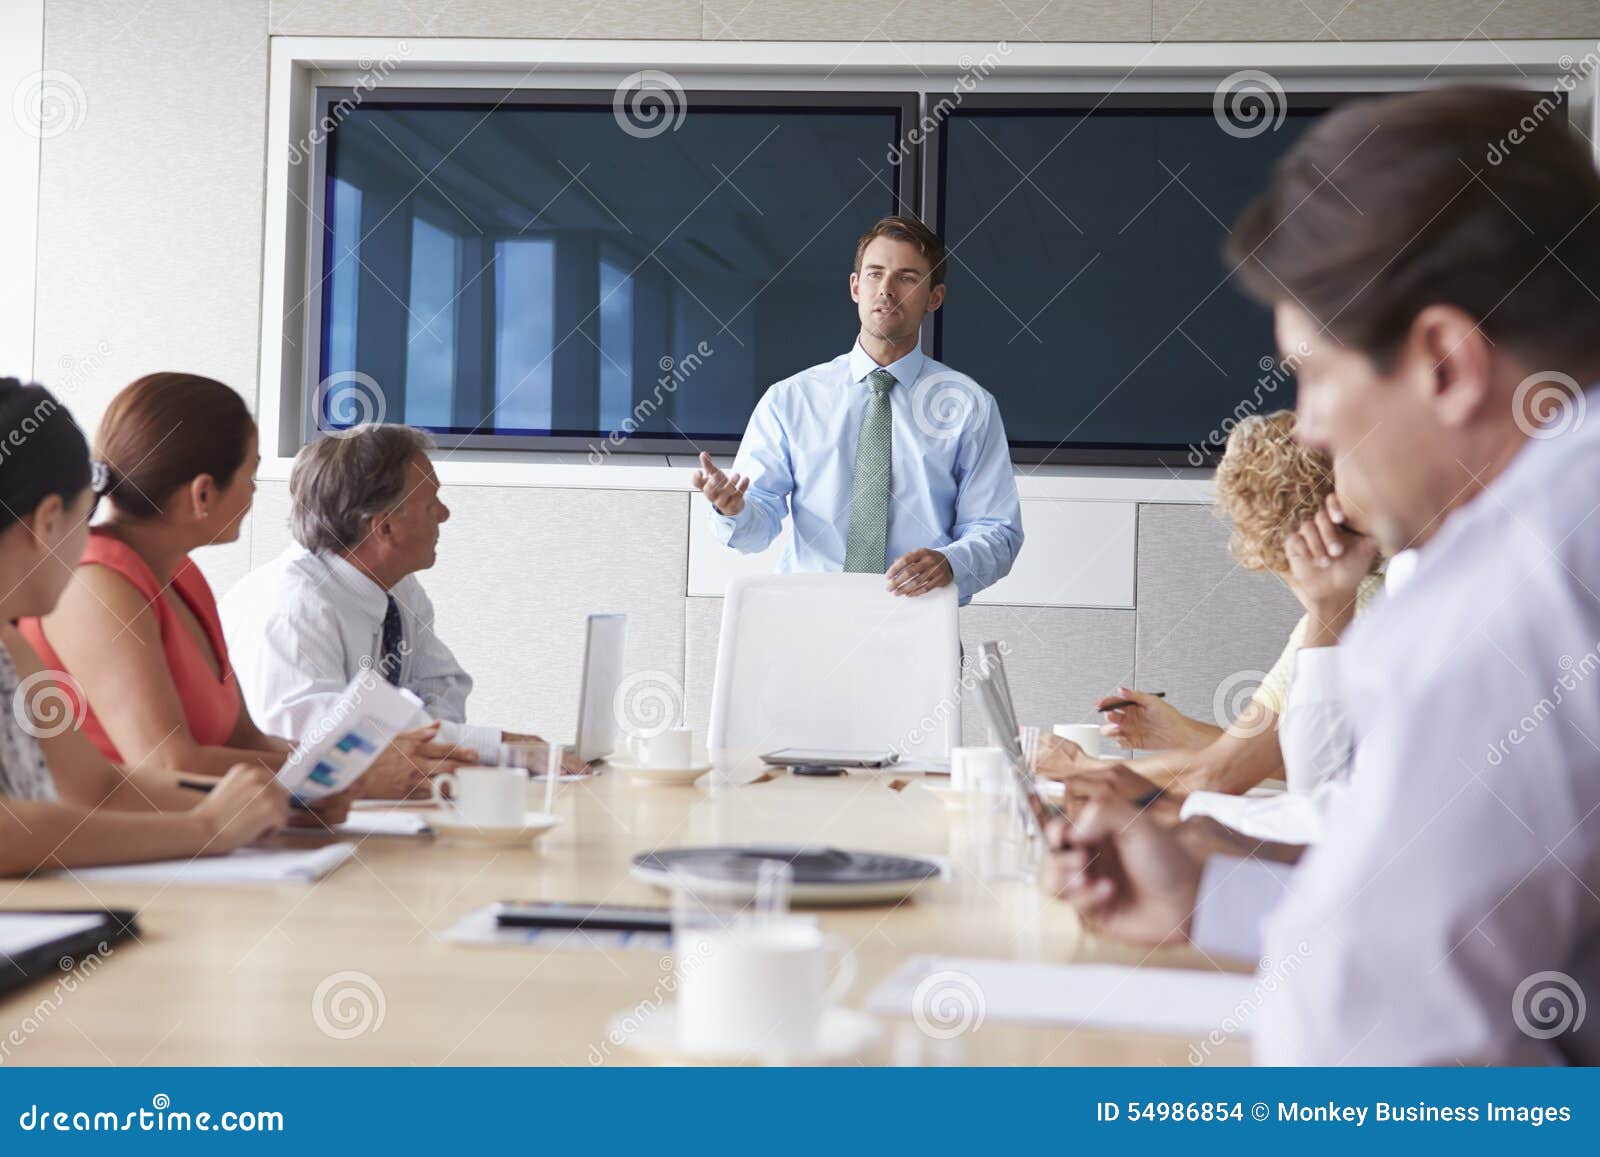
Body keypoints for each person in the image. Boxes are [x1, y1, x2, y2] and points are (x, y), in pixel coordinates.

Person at [1050, 86, 1600, 1064]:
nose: (1306, 426)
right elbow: (1453, 932)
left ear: (1443, 361)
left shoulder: (1515, 593)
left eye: (1311, 370)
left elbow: (1395, 1046)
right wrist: (1209, 892)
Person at [19, 373, 461, 798]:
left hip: (196, 837)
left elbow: (246, 739)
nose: (254, 495)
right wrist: (355, 776)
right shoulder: (97, 585)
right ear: (203, 494)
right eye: (251, 477)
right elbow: (168, 765)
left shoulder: (182, 575)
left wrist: (361, 761)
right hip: (123, 851)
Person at [0, 378, 308, 875]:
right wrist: (206, 828)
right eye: (85, 521)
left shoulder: (10, 643)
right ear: (48, 520)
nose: (88, 547)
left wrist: (284, 800)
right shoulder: (95, 582)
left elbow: (101, 788)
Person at [1039, 411, 1383, 809]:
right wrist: (1182, 732)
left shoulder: (1340, 619)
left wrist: (1083, 768)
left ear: (1251, 530)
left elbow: (1219, 775)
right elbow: (1298, 755)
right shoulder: (1374, 594)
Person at [691, 215, 1023, 604]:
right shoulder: (790, 400)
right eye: (874, 274)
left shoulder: (969, 407)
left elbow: (998, 531)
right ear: (855, 287)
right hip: (808, 625)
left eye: (907, 277)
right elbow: (756, 529)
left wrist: (950, 563)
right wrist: (733, 509)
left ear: (934, 296)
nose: (886, 289)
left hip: (919, 626)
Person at [220, 423, 586, 774]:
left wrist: (425, 740)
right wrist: (496, 747)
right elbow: (321, 741)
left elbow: (445, 684)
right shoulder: (292, 608)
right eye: (432, 504)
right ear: (385, 527)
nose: (445, 514)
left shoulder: (399, 588)